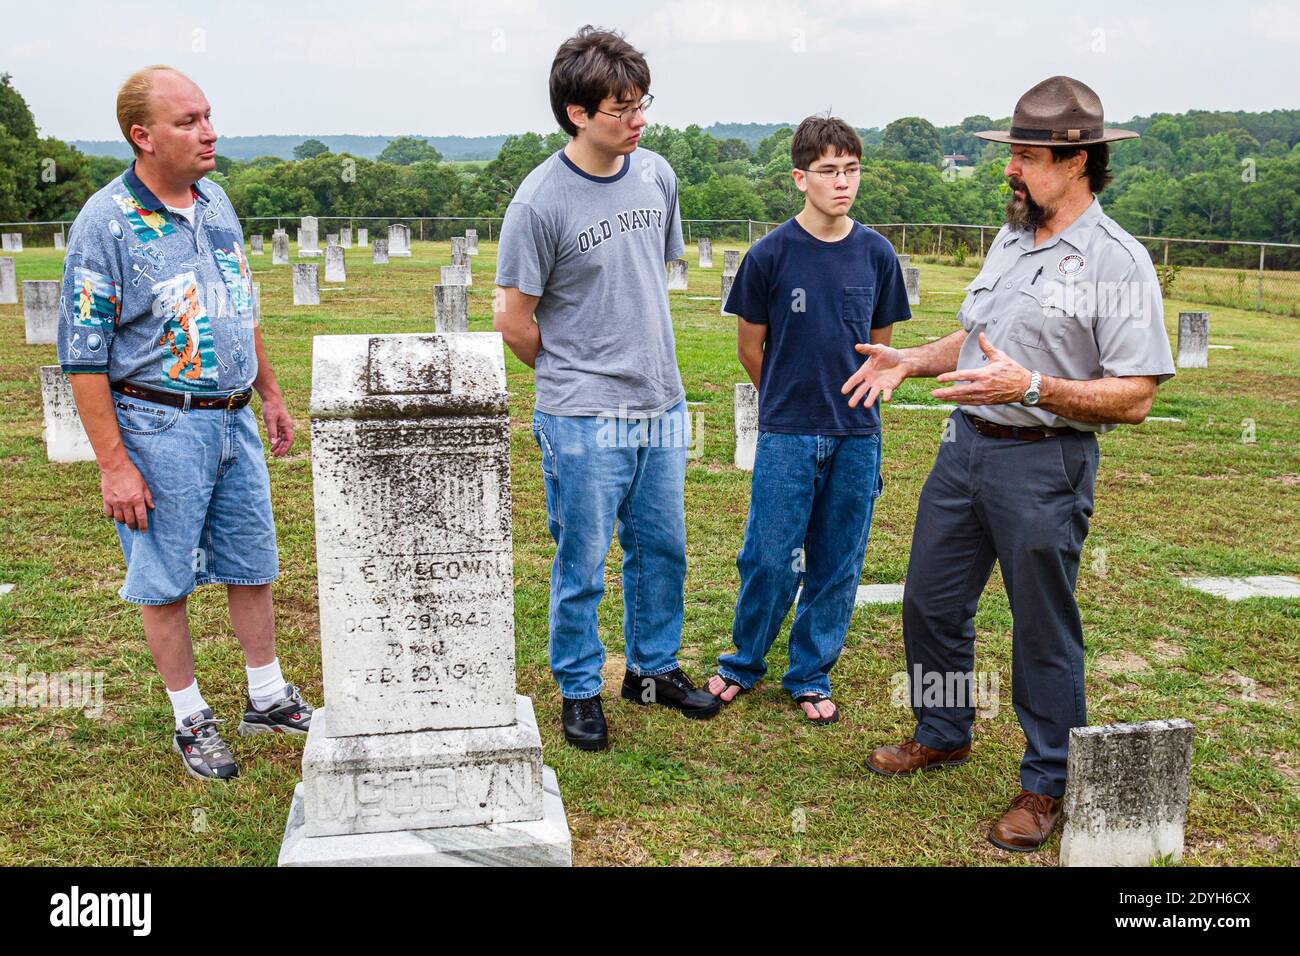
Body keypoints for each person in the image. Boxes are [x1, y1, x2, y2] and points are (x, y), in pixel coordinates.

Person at [843, 76, 1176, 851]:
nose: (1010, 171)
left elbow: (1134, 397)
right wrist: (914, 360)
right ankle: (944, 728)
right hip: (965, 449)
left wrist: (1034, 386)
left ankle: (1046, 783)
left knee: (1041, 628)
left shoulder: (1118, 262)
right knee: (929, 602)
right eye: (1013, 154)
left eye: (1025, 157)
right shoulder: (1010, 236)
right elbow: (977, 346)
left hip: (1044, 458)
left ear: (1079, 162)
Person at [56, 65, 313, 781]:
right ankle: (189, 715)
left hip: (233, 422)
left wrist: (270, 393)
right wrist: (114, 464)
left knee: (251, 561)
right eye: (189, 121)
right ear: (142, 137)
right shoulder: (105, 225)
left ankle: (267, 695)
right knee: (164, 578)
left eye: (208, 115)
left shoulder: (217, 201)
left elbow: (240, 305)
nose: (210, 132)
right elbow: (83, 358)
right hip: (158, 425)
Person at [493, 26, 720, 751]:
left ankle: (651, 670)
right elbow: (513, 318)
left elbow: (650, 272)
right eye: (621, 108)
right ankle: (581, 687)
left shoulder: (656, 174)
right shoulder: (538, 202)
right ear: (577, 114)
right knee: (582, 559)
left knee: (662, 548)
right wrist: (572, 373)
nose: (638, 119)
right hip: (583, 412)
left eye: (641, 102)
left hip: (661, 400)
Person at [704, 116, 910, 723]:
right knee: (768, 555)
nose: (842, 183)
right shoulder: (769, 255)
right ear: (801, 178)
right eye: (827, 172)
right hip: (788, 433)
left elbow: (880, 347)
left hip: (856, 434)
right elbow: (750, 348)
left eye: (851, 170)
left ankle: (811, 673)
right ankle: (742, 662)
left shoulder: (876, 254)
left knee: (838, 560)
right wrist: (785, 400)